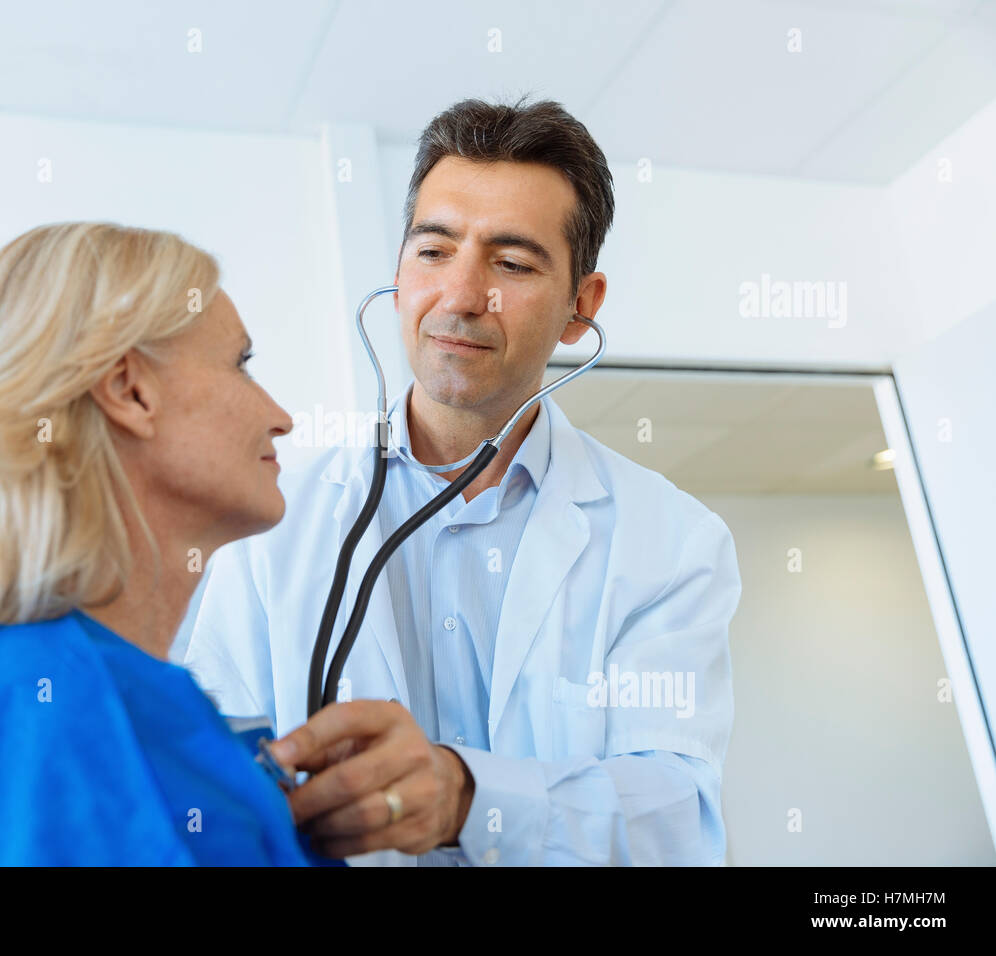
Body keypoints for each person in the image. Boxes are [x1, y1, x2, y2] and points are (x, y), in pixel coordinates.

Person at [183, 98, 744, 866]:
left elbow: (677, 818)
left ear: (582, 307)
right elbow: (204, 783)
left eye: (511, 263)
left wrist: (469, 797)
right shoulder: (272, 519)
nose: (458, 295)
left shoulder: (671, 543)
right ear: (400, 271)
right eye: (434, 251)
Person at [0, 222, 317, 865]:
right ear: (129, 390)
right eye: (241, 363)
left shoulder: (106, 696)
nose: (281, 417)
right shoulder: (36, 713)